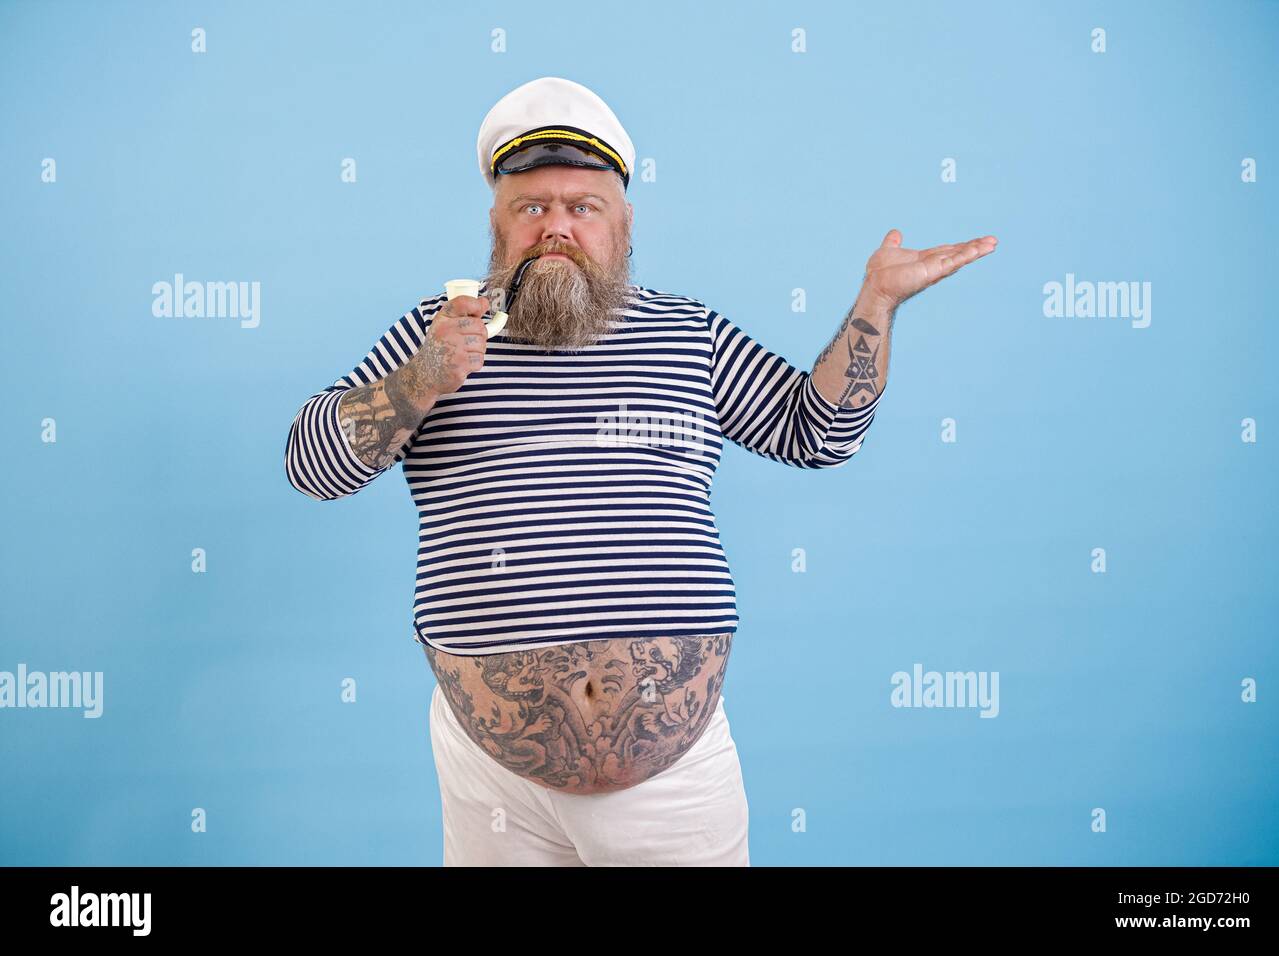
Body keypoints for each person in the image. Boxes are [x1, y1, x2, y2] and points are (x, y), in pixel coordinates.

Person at [284, 76, 996, 866]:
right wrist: (420, 381)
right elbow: (312, 467)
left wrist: (876, 306)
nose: (556, 227)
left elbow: (816, 432)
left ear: (624, 225)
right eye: (533, 207)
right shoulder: (438, 333)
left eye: (583, 207)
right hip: (492, 783)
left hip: (672, 787)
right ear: (496, 223)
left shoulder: (688, 333)